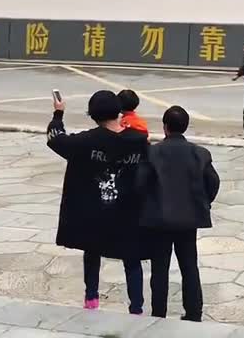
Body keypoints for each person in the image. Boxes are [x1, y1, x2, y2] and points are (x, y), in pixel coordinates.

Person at [47, 89, 149, 314]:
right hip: (127, 213)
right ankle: (137, 308)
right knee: (132, 259)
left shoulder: (86, 141)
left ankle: (91, 299)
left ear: (92, 114)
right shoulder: (138, 141)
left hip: (94, 212)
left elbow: (55, 139)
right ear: (118, 111)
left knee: (92, 252)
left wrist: (58, 114)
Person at [138, 106, 220, 322]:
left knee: (160, 269)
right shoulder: (200, 153)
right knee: (189, 266)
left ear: (165, 127)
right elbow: (213, 182)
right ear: (185, 126)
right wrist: (202, 203)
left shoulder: (152, 152)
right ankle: (194, 312)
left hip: (160, 219)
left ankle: (158, 312)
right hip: (188, 219)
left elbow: (140, 184)